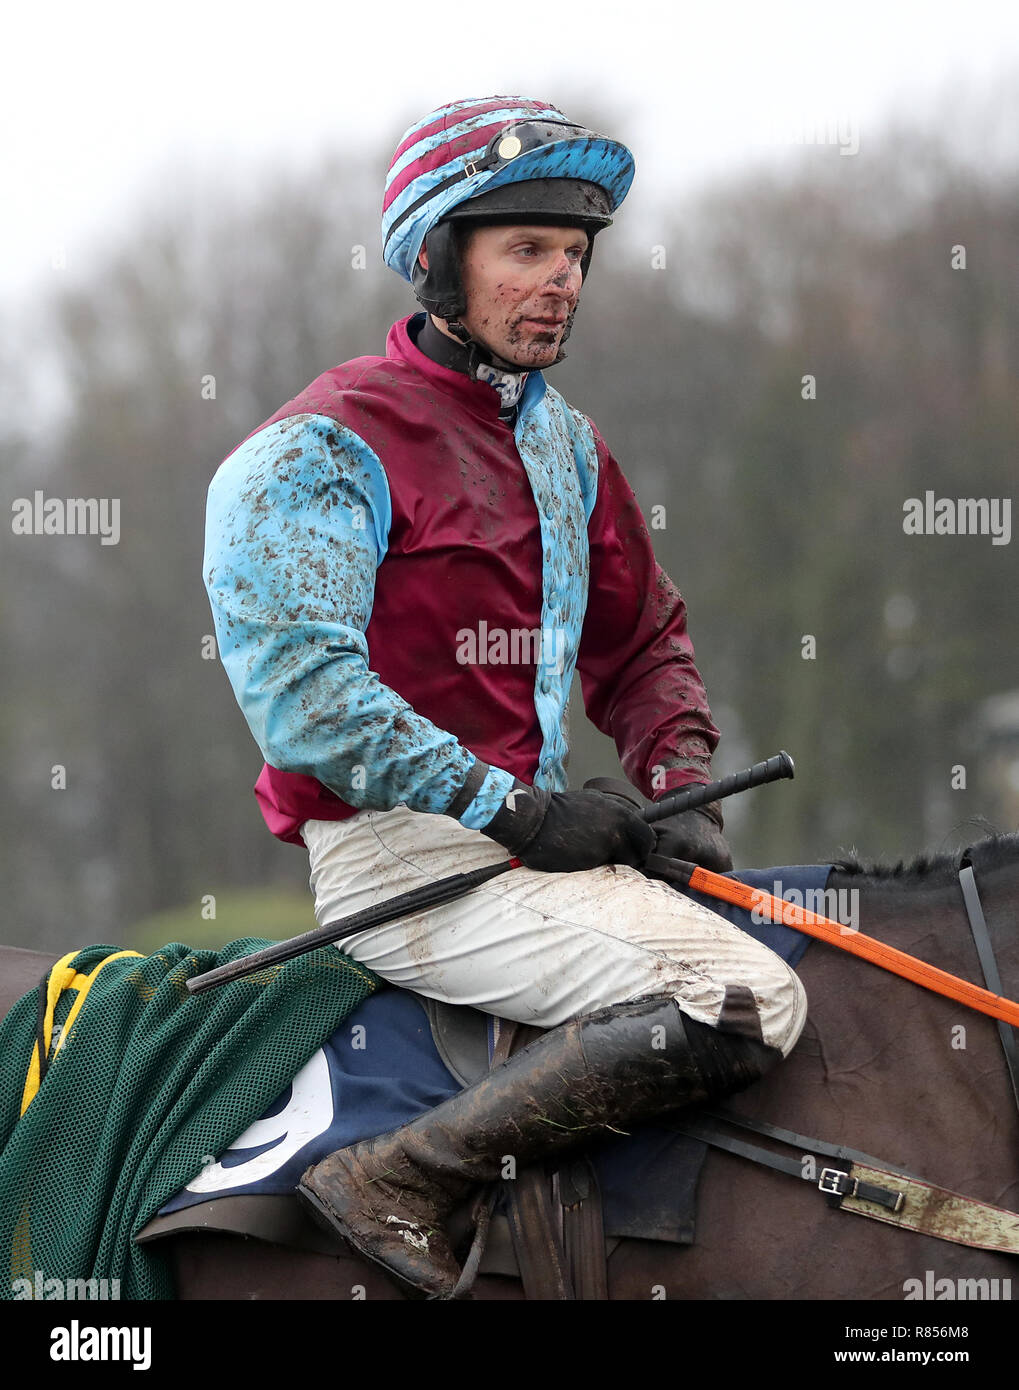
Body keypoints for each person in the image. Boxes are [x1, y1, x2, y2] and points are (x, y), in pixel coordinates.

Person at [203, 95, 807, 1298]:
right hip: (399, 865)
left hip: (524, 855)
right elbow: (310, 700)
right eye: (526, 250)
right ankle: (405, 1172)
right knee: (743, 993)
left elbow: (644, 642)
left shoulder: (565, 446)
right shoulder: (316, 450)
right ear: (436, 257)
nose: (562, 281)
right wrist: (516, 811)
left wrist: (679, 785)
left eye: (576, 255)